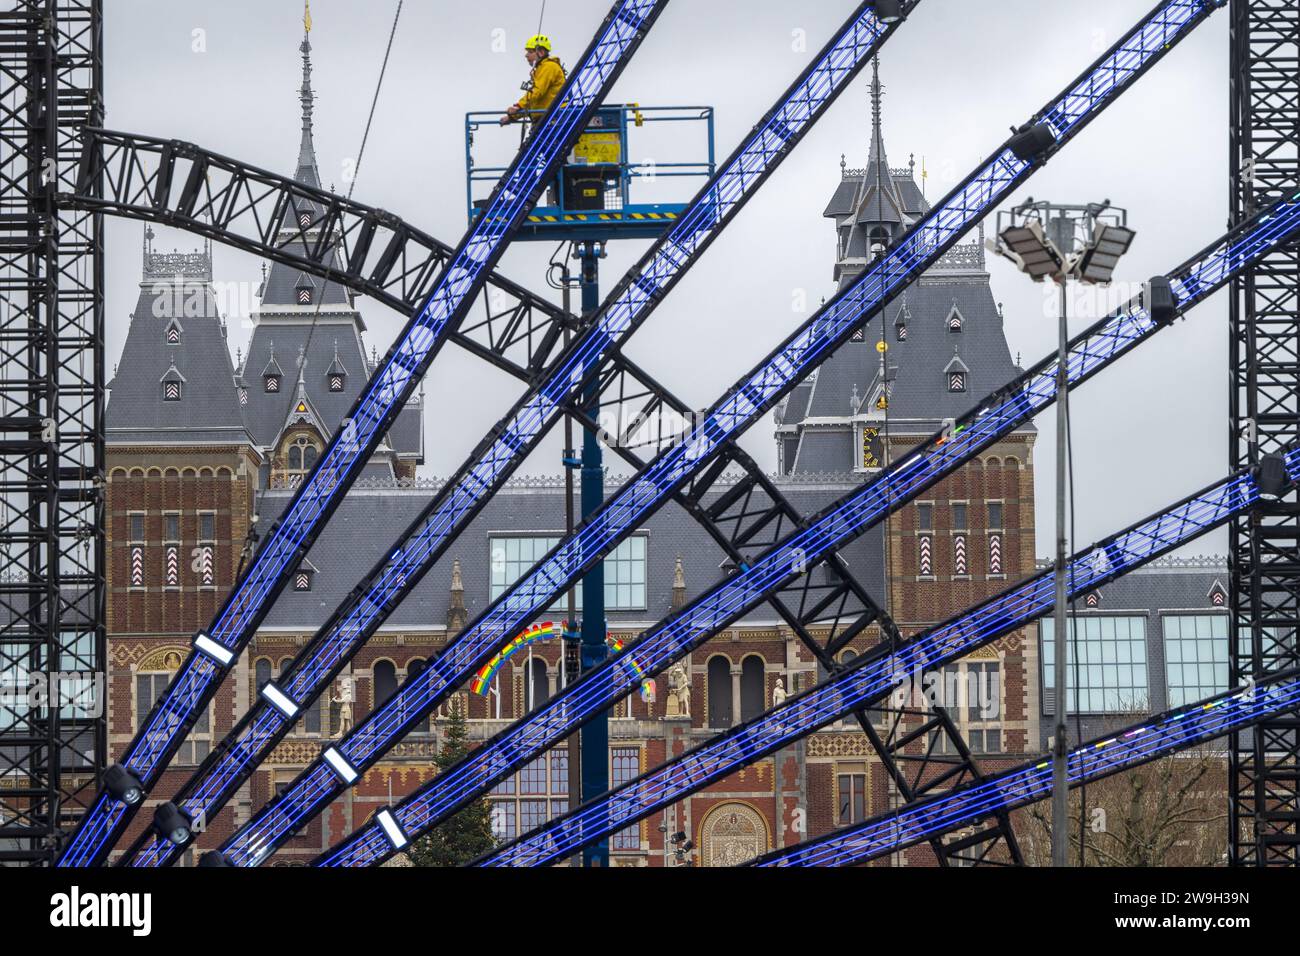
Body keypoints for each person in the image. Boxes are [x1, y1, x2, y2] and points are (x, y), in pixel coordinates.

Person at [500, 34, 566, 126]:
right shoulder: (542, 68)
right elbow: (534, 101)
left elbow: (537, 92)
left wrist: (518, 106)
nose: (526, 55)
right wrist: (512, 117)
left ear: (541, 52)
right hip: (546, 119)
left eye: (530, 52)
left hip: (553, 118)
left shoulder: (549, 67)